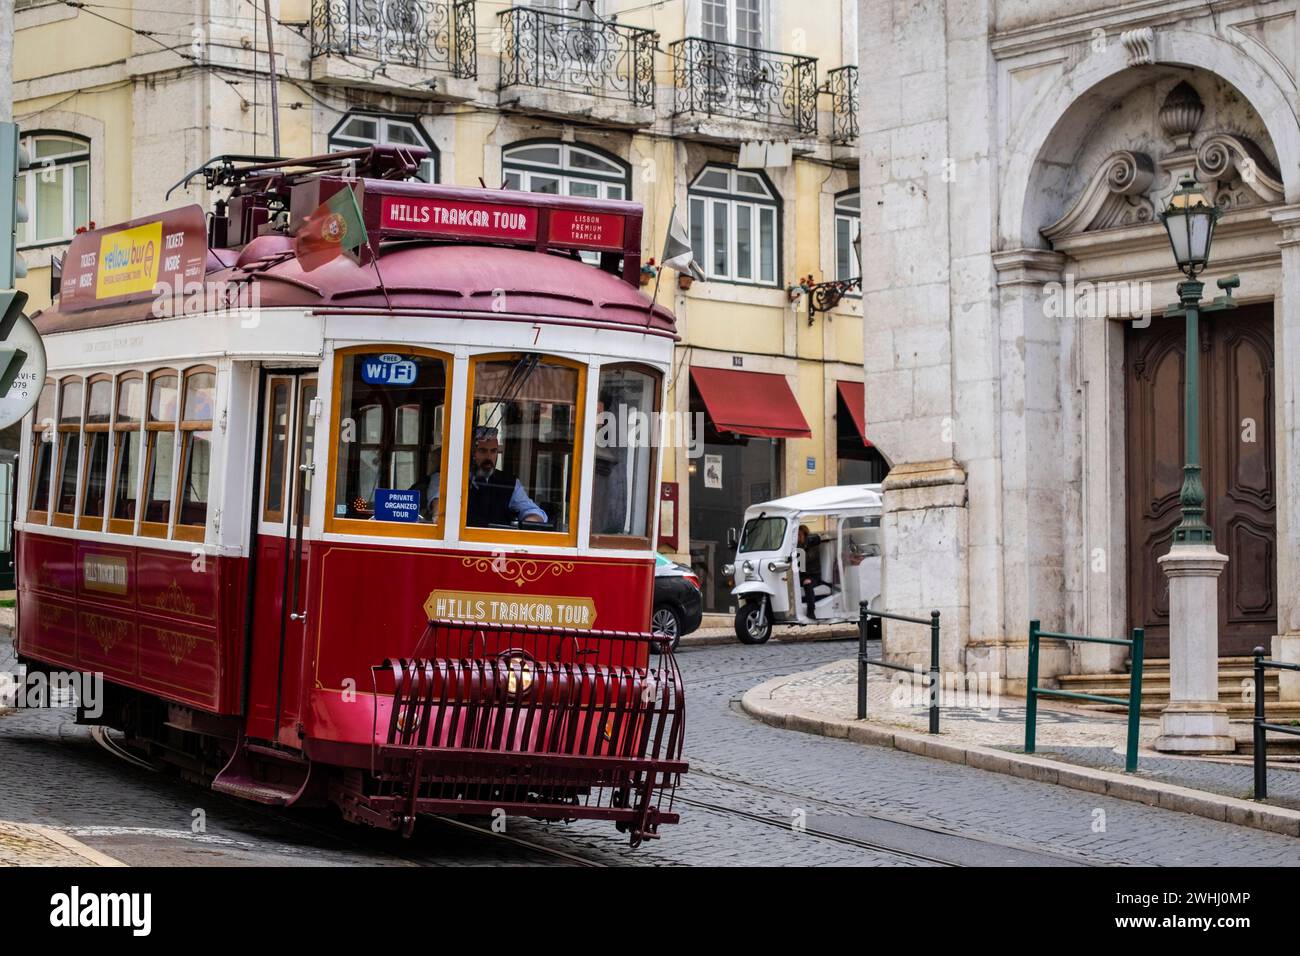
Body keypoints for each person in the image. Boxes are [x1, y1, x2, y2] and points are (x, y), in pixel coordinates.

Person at [465, 425, 548, 527]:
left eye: (493, 451)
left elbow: (532, 511)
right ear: (473, 452)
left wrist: (530, 520)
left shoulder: (509, 482)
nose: (489, 457)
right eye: (483, 451)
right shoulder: (458, 478)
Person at [797, 524, 824, 619]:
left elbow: (807, 559)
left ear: (805, 535)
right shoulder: (798, 546)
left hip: (813, 576)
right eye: (797, 535)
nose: (798, 538)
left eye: (800, 535)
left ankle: (811, 611)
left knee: (807, 584)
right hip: (802, 575)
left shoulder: (813, 547)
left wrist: (803, 547)